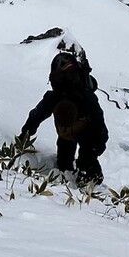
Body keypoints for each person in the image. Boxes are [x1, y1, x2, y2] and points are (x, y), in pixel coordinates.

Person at [19, 49, 109, 183]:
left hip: (87, 134)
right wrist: (25, 134)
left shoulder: (85, 99)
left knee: (87, 167)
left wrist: (93, 152)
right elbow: (37, 115)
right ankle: (70, 173)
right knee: (64, 162)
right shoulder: (56, 97)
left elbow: (100, 130)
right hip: (68, 135)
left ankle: (91, 183)